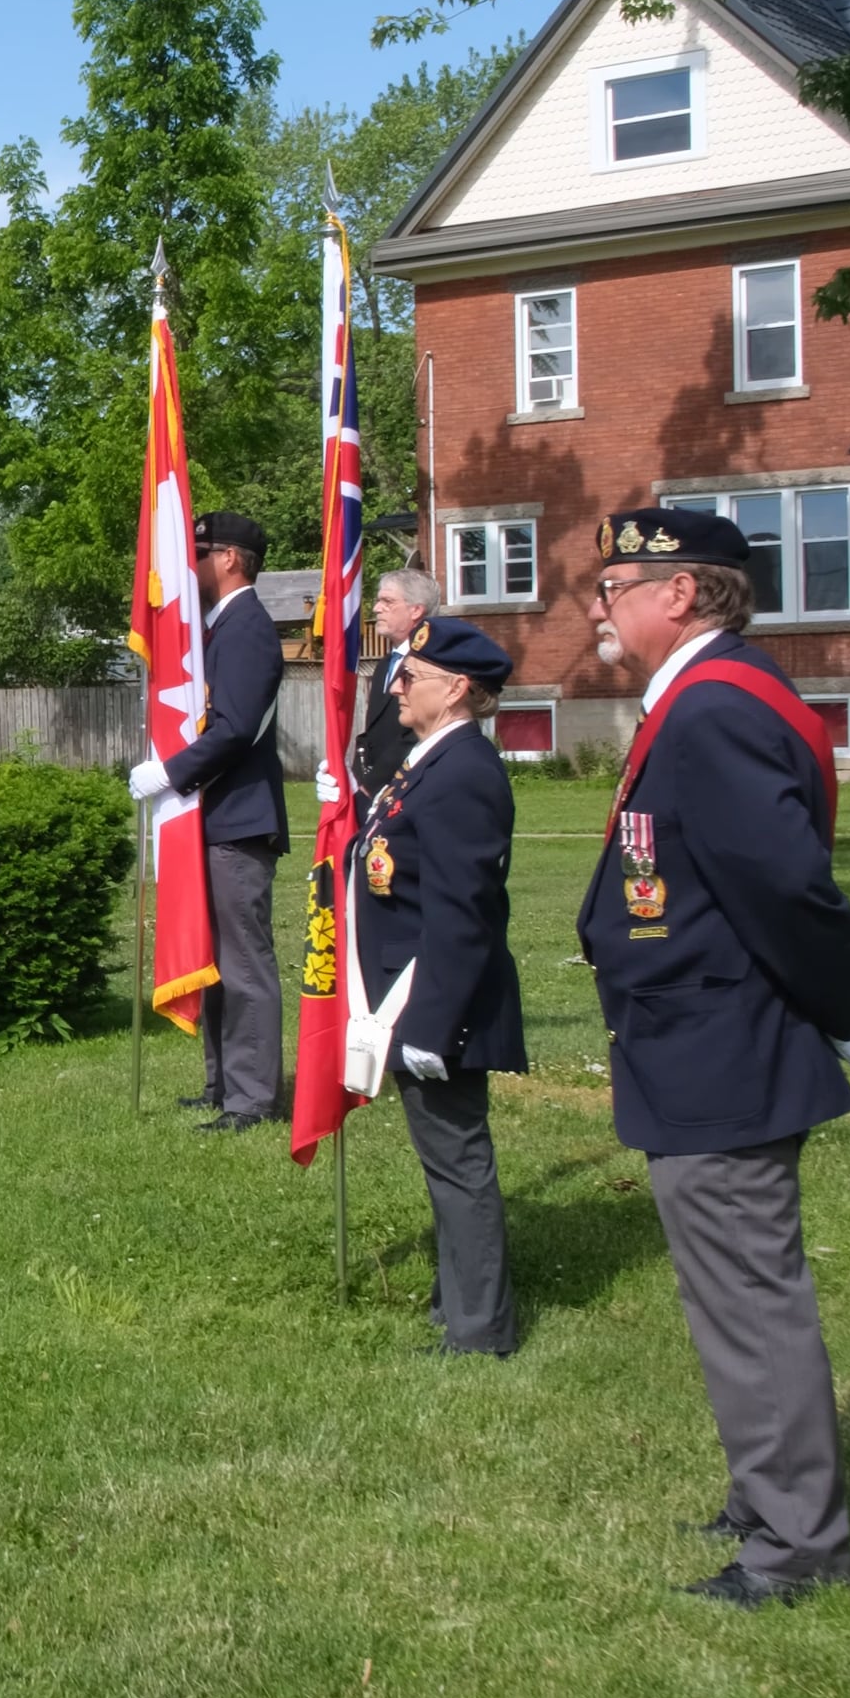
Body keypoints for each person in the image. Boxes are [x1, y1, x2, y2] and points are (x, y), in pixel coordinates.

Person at [580, 505, 850, 1609]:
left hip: (726, 1049)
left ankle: (801, 1543)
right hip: (693, 1044)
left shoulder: (714, 712)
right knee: (728, 1302)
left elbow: (788, 887)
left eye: (613, 586)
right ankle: (769, 1494)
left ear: (685, 594)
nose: (598, 606)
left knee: (752, 1305)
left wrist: (837, 1003)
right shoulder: (703, 702)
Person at [348, 615, 528, 1357]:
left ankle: (480, 1328)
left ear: (456, 690)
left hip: (438, 1007)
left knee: (460, 1166)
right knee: (443, 1162)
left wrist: (432, 1026)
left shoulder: (462, 775)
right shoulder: (426, 762)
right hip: (415, 1001)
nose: (396, 687)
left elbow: (463, 916)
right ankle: (456, 1300)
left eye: (410, 677)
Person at [128, 511, 289, 1131]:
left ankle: (251, 1098)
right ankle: (224, 1083)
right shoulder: (221, 627)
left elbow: (234, 729)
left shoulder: (246, 627)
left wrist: (169, 772)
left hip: (239, 820)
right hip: (213, 815)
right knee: (216, 959)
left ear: (229, 560)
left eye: (198, 555)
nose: (186, 568)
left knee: (244, 963)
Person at [328, 566, 442, 805]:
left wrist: (368, 788)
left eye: (387, 601)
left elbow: (417, 735)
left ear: (416, 610)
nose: (376, 608)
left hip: (409, 791)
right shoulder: (385, 665)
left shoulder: (432, 666)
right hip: (374, 792)